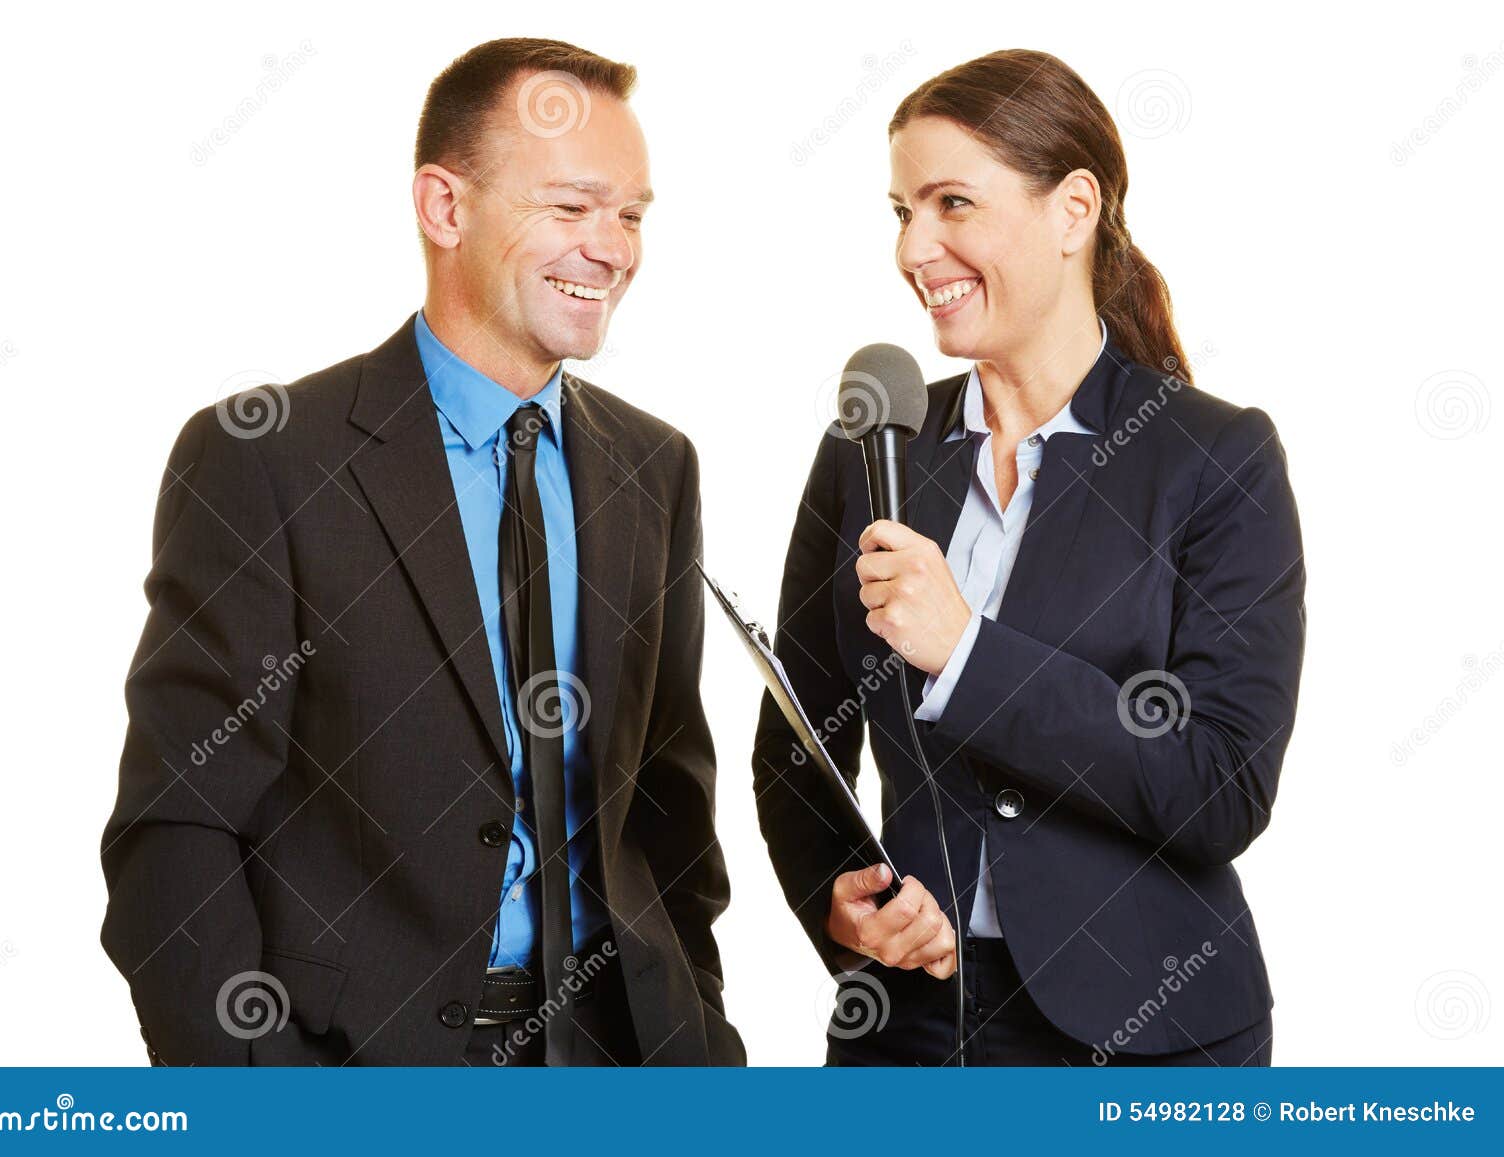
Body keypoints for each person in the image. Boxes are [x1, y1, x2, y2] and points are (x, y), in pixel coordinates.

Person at [100, 37, 744, 1067]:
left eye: (631, 214)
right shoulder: (268, 459)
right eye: (571, 208)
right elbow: (175, 829)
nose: (612, 248)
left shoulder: (651, 465)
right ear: (445, 208)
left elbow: (668, 816)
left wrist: (698, 1040)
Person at [754, 48, 1304, 1066]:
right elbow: (798, 740)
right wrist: (840, 898)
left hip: (1150, 1038)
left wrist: (967, 650)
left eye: (952, 203)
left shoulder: (1211, 460)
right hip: (909, 1028)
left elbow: (1220, 783)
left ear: (1073, 208)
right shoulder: (870, 448)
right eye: (900, 211)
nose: (915, 247)